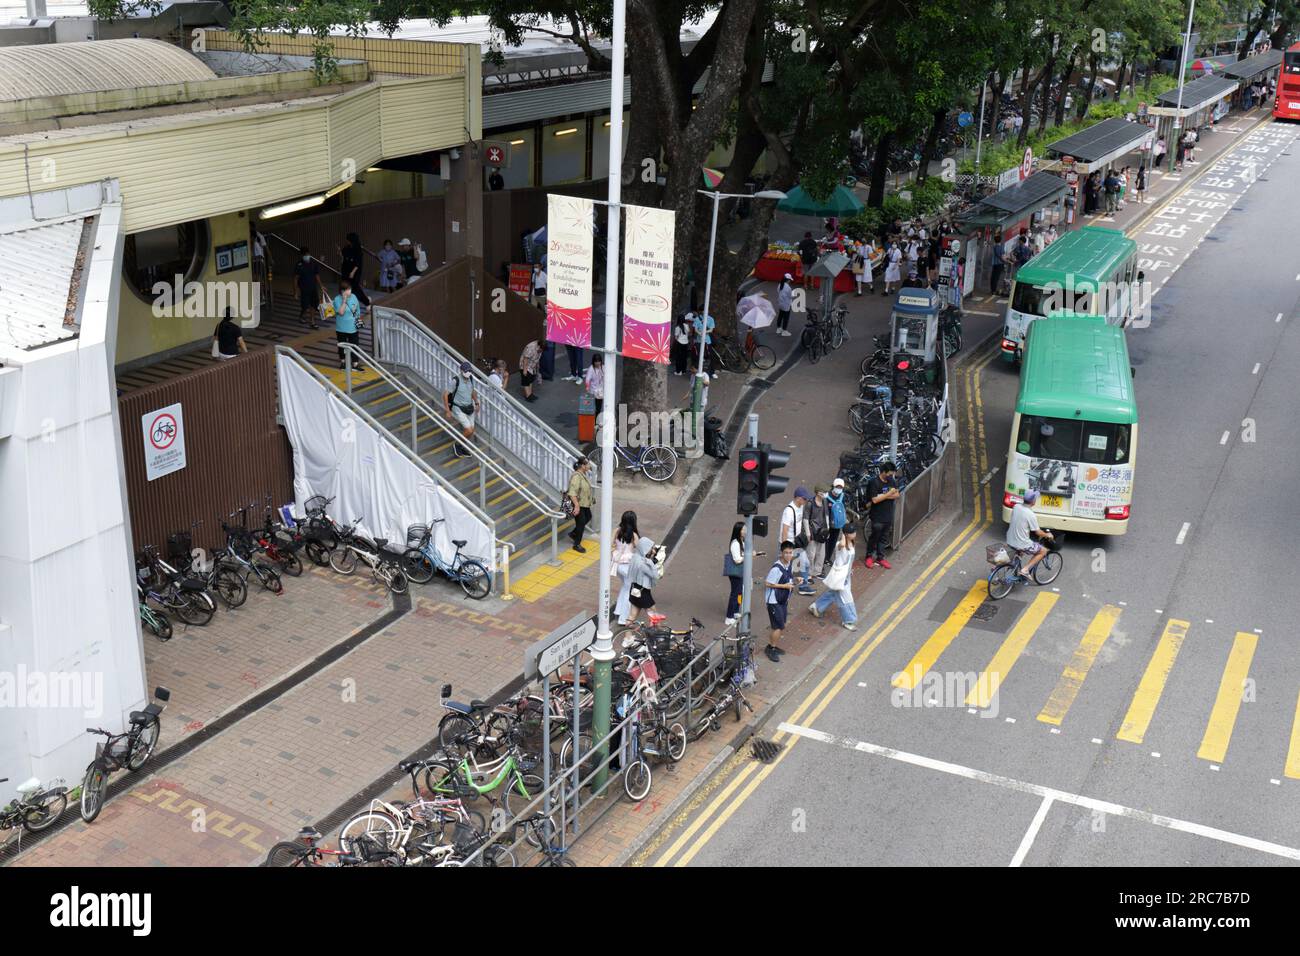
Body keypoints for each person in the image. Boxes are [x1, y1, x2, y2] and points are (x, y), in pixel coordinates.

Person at [808, 524, 858, 630]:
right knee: (845, 598)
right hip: (840, 577)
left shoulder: (851, 544)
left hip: (845, 576)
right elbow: (842, 544)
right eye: (852, 532)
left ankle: (816, 607)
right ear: (846, 534)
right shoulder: (840, 544)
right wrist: (843, 535)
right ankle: (848, 621)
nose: (855, 534)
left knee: (833, 593)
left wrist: (850, 570)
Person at [1007, 488, 1054, 580]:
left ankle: (1012, 566)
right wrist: (1047, 535)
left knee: (1020, 551)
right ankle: (1025, 570)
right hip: (1022, 543)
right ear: (1033, 501)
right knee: (1043, 551)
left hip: (1010, 539)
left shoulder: (1016, 506)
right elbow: (1037, 532)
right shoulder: (1030, 514)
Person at [780, 486, 818, 596]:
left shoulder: (800, 507)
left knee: (804, 563)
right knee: (784, 565)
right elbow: (785, 530)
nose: (806, 501)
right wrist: (785, 547)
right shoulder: (789, 511)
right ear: (798, 498)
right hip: (789, 543)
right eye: (804, 499)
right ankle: (780, 583)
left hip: (796, 543)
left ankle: (803, 586)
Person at [763, 541, 797, 663]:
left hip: (782, 600)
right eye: (786, 553)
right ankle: (770, 649)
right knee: (778, 626)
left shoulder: (789, 564)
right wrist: (784, 586)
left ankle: (773, 646)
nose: (788, 555)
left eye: (790, 553)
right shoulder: (776, 569)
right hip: (774, 601)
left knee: (781, 624)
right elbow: (767, 583)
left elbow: (788, 578)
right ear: (781, 553)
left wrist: (796, 580)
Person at [863, 461, 900, 569]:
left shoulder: (891, 480)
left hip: (887, 515)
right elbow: (874, 500)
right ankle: (869, 556)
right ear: (883, 472)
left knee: (883, 538)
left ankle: (880, 557)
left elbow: (897, 494)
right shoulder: (874, 482)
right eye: (889, 474)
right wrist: (889, 494)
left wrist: (882, 496)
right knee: (874, 537)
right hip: (877, 516)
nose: (891, 476)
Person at [615, 537, 659, 625]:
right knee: (654, 615)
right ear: (645, 548)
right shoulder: (642, 563)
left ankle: (628, 637)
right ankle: (659, 636)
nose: (653, 551)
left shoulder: (635, 557)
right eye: (651, 548)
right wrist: (652, 564)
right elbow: (655, 576)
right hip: (643, 592)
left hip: (634, 589)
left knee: (632, 616)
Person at [443, 360, 480, 457]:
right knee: (468, 430)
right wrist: (447, 410)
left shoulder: (471, 378)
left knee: (471, 430)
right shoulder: (456, 380)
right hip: (458, 408)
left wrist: (476, 402)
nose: (468, 373)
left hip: (469, 407)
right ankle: (457, 445)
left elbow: (473, 391)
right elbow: (446, 394)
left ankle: (462, 446)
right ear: (461, 370)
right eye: (466, 371)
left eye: (469, 371)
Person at [332, 279, 364, 370]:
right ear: (342, 291)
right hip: (341, 328)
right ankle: (343, 362)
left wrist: (357, 319)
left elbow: (357, 309)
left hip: (353, 327)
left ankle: (355, 364)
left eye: (350, 289)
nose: (350, 291)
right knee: (342, 346)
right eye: (347, 289)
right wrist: (344, 301)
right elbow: (341, 312)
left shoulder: (354, 297)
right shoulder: (337, 299)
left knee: (355, 345)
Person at [823, 476, 852, 574]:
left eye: (841, 487)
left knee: (833, 541)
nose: (839, 489)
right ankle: (823, 558)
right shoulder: (826, 497)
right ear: (833, 486)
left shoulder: (843, 496)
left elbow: (844, 508)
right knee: (826, 541)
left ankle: (827, 558)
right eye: (837, 487)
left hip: (838, 523)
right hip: (828, 524)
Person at [566, 457, 594, 552]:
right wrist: (576, 506)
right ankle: (576, 544)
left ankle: (574, 533)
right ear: (583, 466)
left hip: (584, 503)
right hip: (578, 504)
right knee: (581, 522)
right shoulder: (577, 477)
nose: (589, 466)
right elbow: (572, 493)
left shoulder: (583, 474)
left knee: (588, 517)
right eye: (588, 464)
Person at [804, 485, 832, 580]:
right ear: (818, 492)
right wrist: (808, 533)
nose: (825, 494)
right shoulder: (810, 503)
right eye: (823, 492)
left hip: (822, 531)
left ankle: (817, 571)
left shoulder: (824, 501)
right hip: (813, 532)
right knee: (811, 554)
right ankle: (808, 573)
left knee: (821, 553)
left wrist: (827, 528)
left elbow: (827, 515)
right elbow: (805, 519)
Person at [293, 247, 325, 327]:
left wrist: (321, 286)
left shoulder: (313, 263)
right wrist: (296, 292)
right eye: (305, 255)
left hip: (313, 287)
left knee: (313, 304)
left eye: (307, 254)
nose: (307, 256)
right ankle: (301, 315)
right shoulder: (299, 265)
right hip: (304, 288)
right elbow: (296, 278)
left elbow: (316, 275)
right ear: (301, 255)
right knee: (305, 305)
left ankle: (312, 321)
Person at [338, 233, 370, 310]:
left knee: (355, 288)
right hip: (345, 270)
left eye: (348, 240)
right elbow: (343, 258)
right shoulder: (346, 248)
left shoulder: (358, 249)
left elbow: (358, 263)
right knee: (345, 287)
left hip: (354, 272)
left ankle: (367, 302)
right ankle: (347, 304)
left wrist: (352, 272)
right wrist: (339, 253)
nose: (346, 241)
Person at [724, 522, 746, 625]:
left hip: (740, 571)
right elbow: (737, 559)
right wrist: (749, 556)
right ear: (738, 531)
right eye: (743, 529)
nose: (745, 531)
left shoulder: (742, 541)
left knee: (740, 592)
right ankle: (729, 616)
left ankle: (736, 611)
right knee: (735, 593)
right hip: (735, 572)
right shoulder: (735, 543)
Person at [611, 511, 640, 582]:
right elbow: (639, 548)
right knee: (628, 585)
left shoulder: (617, 531)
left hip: (616, 560)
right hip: (627, 562)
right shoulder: (634, 535)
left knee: (625, 583)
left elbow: (610, 543)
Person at [692, 310, 717, 379]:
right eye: (703, 311)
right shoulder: (697, 319)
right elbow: (695, 329)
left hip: (707, 341)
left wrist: (704, 332)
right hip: (699, 341)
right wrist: (699, 333)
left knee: (710, 356)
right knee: (698, 357)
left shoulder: (711, 319)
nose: (705, 312)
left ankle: (712, 372)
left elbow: (711, 329)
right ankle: (698, 372)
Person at [583, 353, 605, 420]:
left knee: (599, 406)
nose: (598, 363)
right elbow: (587, 379)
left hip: (601, 390)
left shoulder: (603, 367)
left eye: (599, 361)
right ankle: (595, 420)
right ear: (593, 362)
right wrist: (587, 387)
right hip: (594, 391)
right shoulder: (591, 368)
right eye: (596, 361)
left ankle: (596, 419)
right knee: (595, 407)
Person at [519, 338, 541, 402]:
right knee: (526, 380)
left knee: (531, 379)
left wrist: (537, 370)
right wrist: (525, 370)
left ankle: (530, 394)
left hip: (532, 365)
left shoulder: (540, 348)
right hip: (525, 365)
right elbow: (525, 359)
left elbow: (537, 359)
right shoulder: (531, 347)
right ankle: (527, 396)